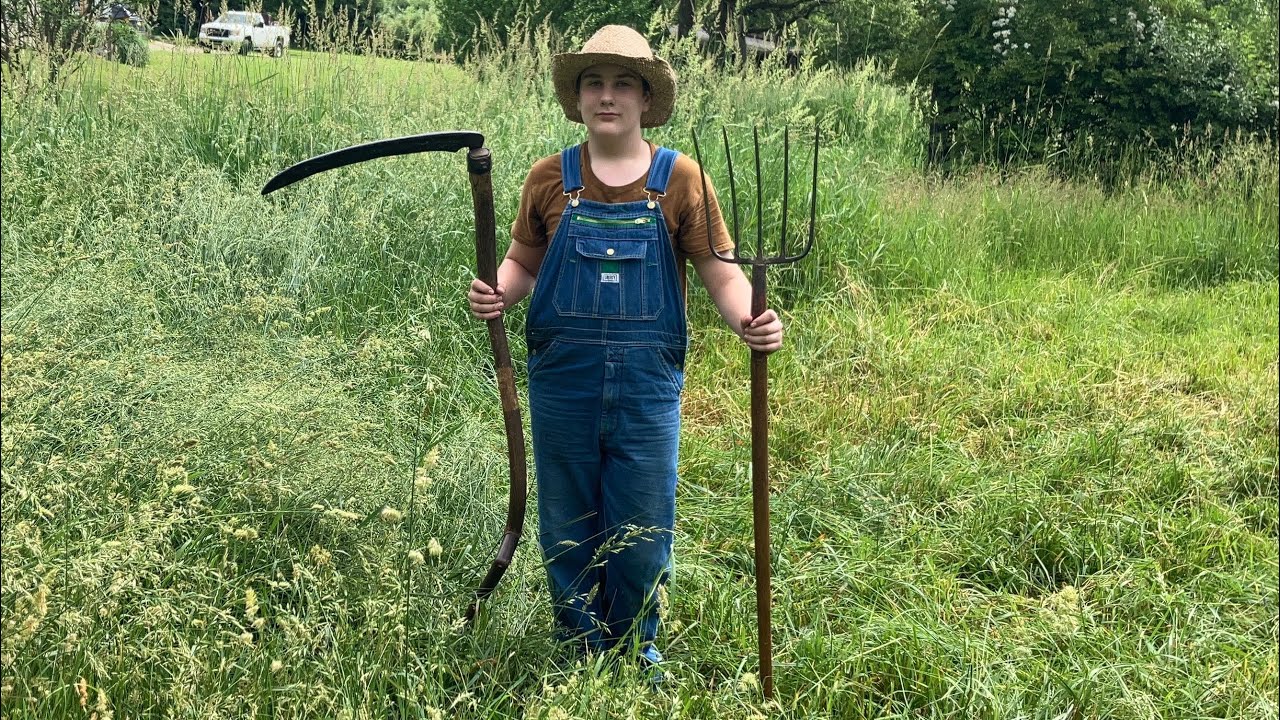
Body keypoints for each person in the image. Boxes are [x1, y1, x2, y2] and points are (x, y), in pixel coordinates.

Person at [466, 25, 784, 674]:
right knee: (566, 519)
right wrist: (498, 291)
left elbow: (721, 272)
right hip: (564, 382)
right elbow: (523, 263)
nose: (606, 96)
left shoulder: (682, 179)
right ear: (578, 97)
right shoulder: (549, 178)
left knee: (642, 519)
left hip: (647, 387)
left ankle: (636, 644)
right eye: (593, 83)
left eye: (621, 84)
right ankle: (581, 646)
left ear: (644, 98)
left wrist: (749, 319)